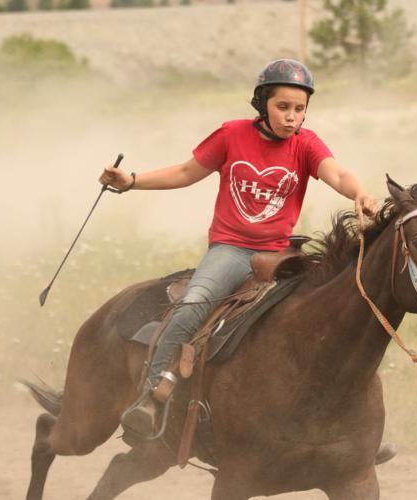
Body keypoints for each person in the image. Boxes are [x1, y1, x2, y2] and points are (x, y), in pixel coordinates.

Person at [99, 59, 378, 438]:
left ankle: (353, 430)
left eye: (299, 109)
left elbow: (338, 173)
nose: (291, 117)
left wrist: (359, 191)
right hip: (231, 251)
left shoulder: (306, 145)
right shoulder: (231, 135)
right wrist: (131, 181)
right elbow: (184, 173)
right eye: (283, 107)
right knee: (193, 305)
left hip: (282, 256)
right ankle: (150, 398)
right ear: (262, 103)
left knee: (334, 314)